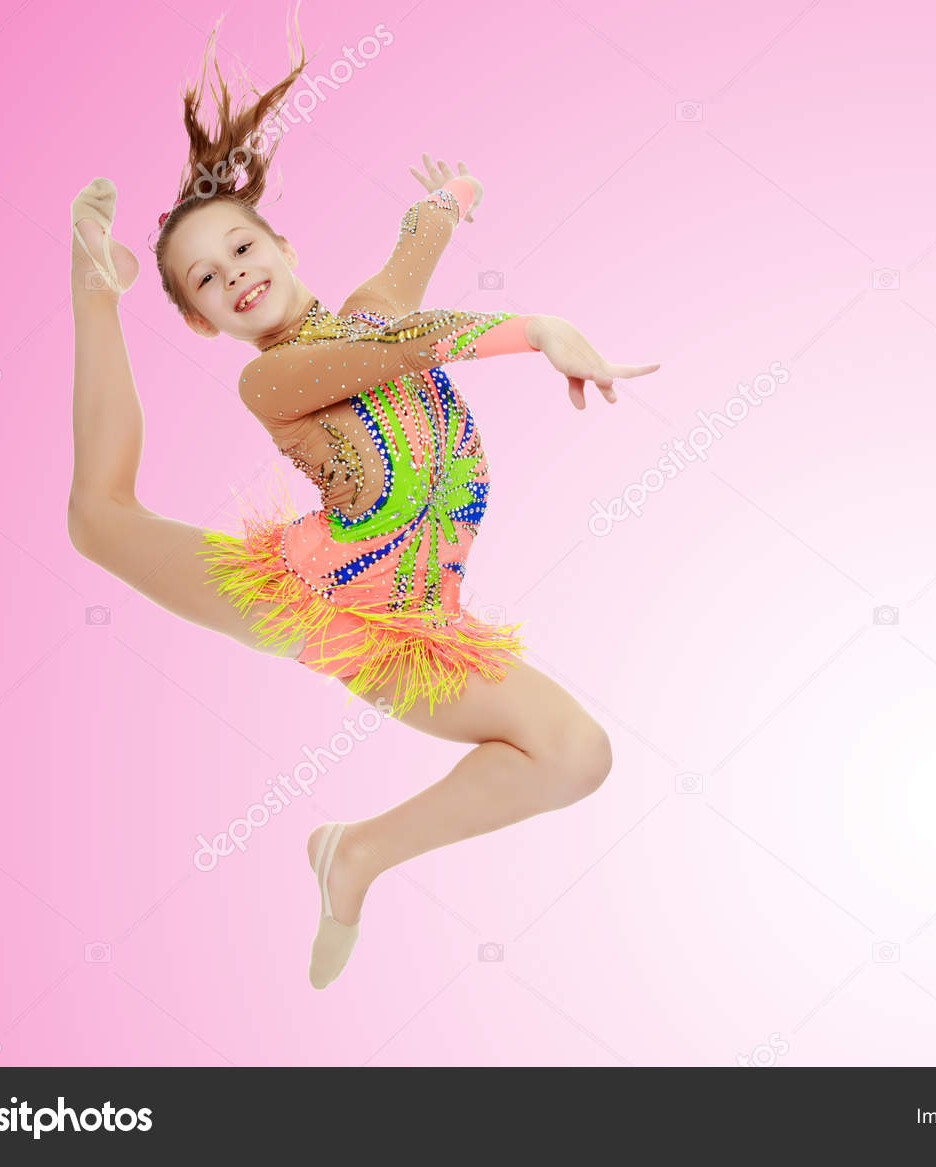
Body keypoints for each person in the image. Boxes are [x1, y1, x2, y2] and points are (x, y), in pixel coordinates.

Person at [66, 10, 660, 989]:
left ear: (280, 244)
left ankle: (358, 852)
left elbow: (402, 271)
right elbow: (396, 345)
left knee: (574, 755)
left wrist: (449, 198)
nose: (235, 277)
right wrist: (535, 325)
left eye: (243, 249)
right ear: (202, 319)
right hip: (326, 596)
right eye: (206, 280)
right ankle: (95, 289)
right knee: (97, 519)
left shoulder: (370, 315)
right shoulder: (271, 382)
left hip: (426, 614)